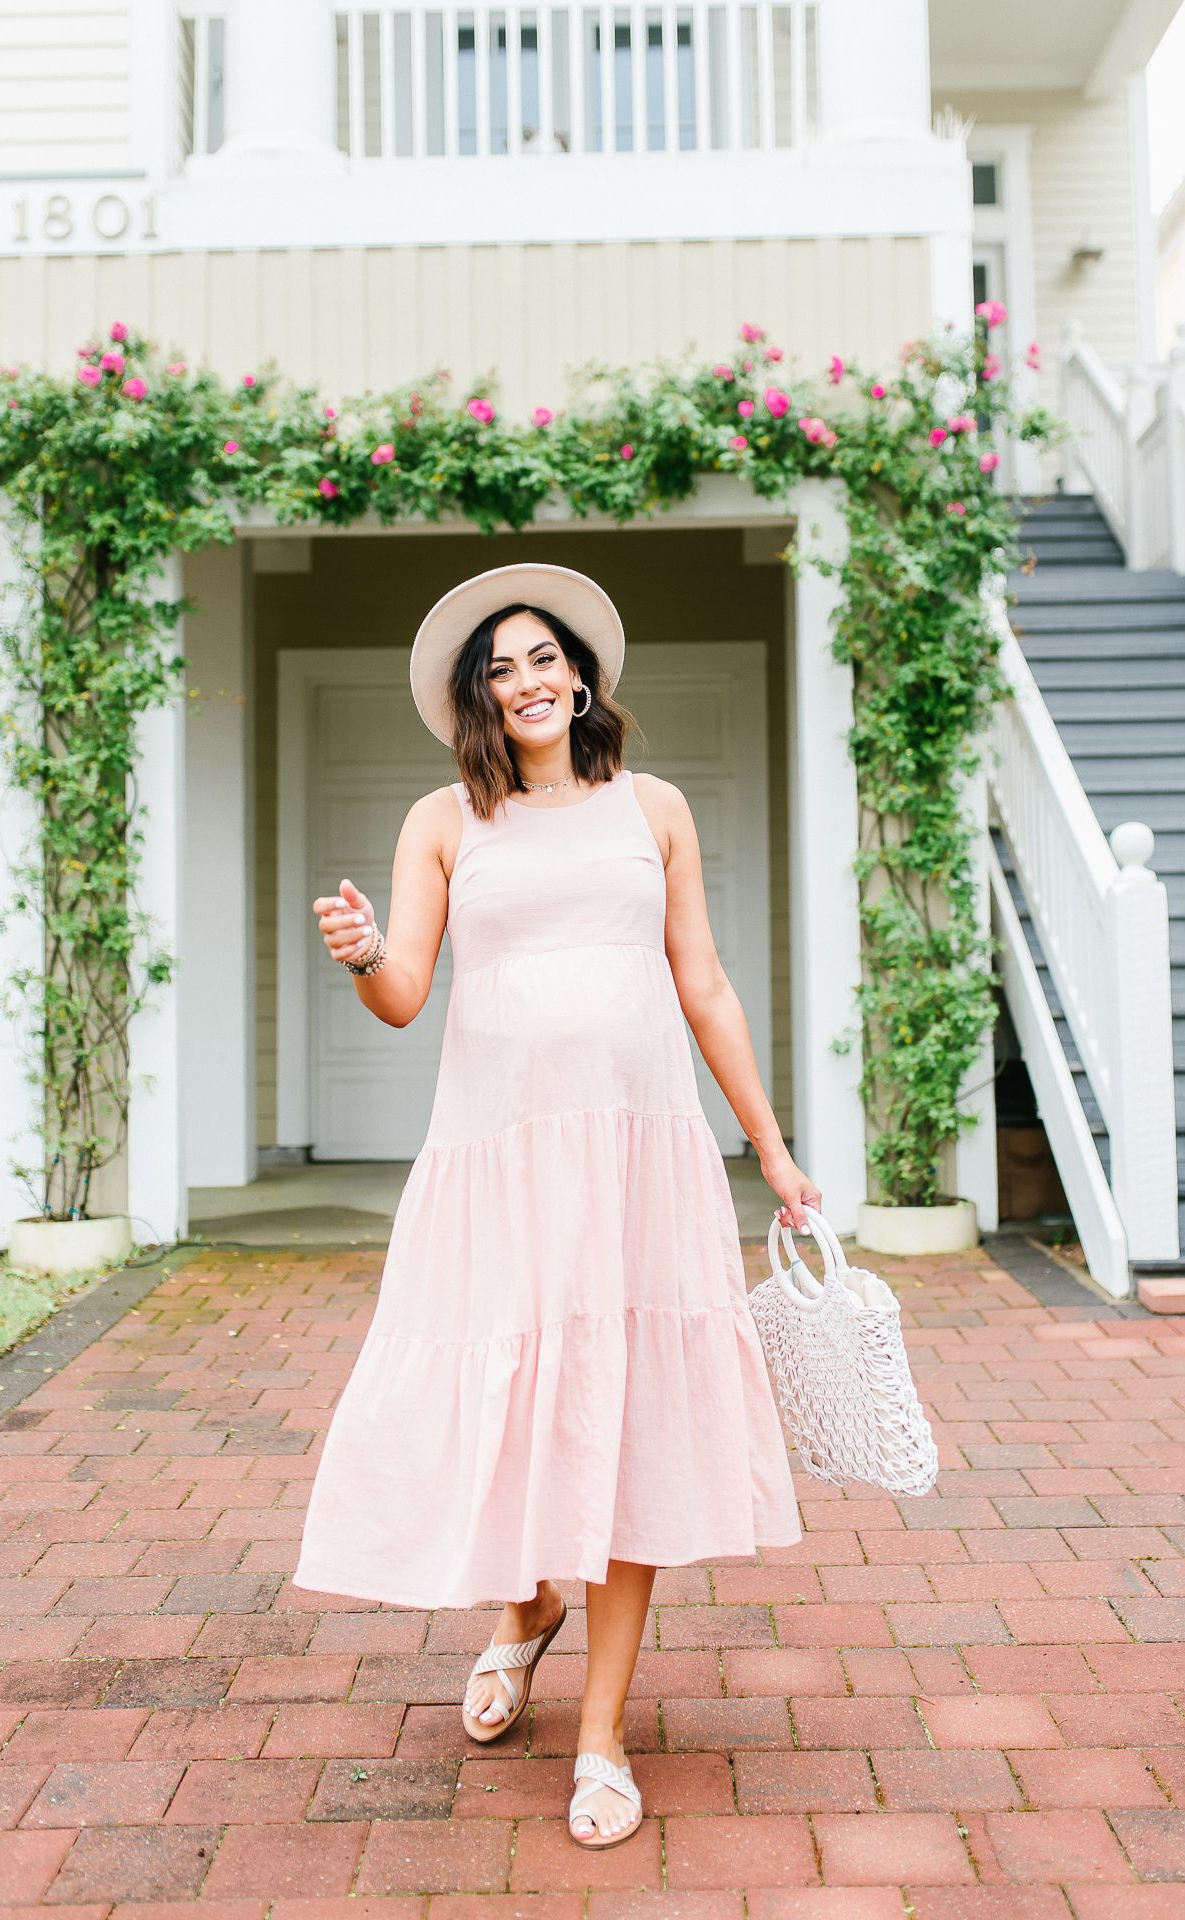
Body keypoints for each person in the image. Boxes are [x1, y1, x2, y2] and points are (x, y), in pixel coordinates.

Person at [295, 562, 818, 1850]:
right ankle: (521, 1617)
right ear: (479, 697)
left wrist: (773, 1147)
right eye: (500, 667)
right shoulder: (441, 822)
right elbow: (407, 993)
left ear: (579, 675)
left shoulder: (655, 807)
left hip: (641, 1160)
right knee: (525, 1398)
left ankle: (602, 1738)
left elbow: (702, 985)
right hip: (501, 1158)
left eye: (542, 658)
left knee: (624, 1419)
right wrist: (366, 956)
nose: (525, 680)